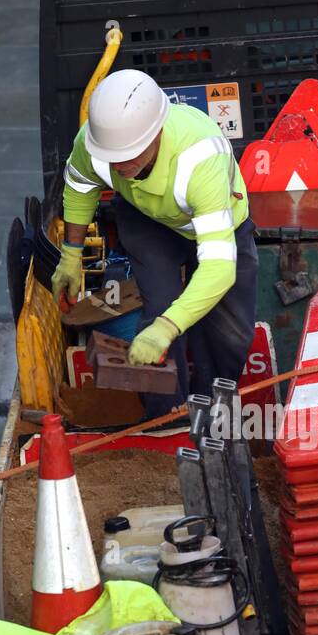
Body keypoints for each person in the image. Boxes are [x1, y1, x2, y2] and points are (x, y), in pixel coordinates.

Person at [52, 68, 258, 418]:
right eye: (112, 156)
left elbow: (218, 269)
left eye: (130, 153)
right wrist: (70, 256)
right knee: (159, 303)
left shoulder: (199, 158)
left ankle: (211, 406)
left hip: (216, 226)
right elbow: (79, 186)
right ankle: (167, 414)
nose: (118, 164)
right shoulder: (96, 142)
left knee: (231, 335)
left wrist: (168, 328)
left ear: (157, 132)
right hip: (146, 218)